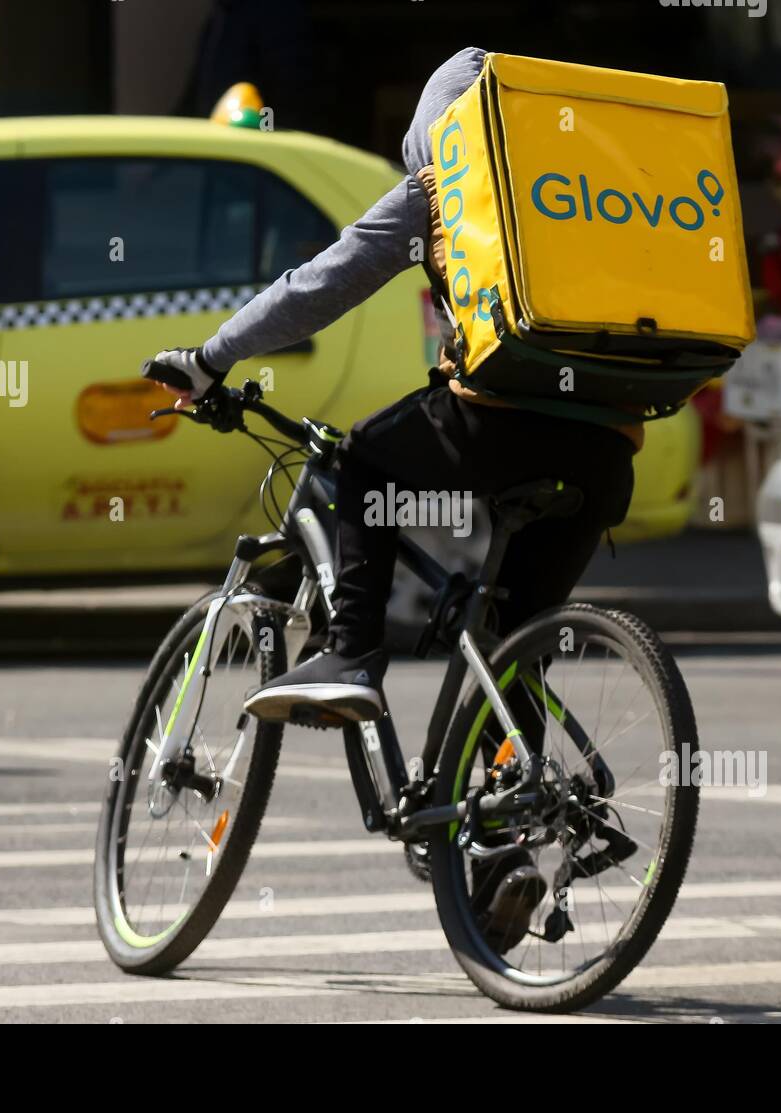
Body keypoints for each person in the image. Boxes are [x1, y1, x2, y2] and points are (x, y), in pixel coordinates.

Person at [151, 46, 642, 726]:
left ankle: (351, 654)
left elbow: (321, 284)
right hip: (607, 449)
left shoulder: (444, 187)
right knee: (512, 652)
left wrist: (210, 357)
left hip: (503, 424)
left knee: (363, 460)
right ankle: (521, 802)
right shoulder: (594, 192)